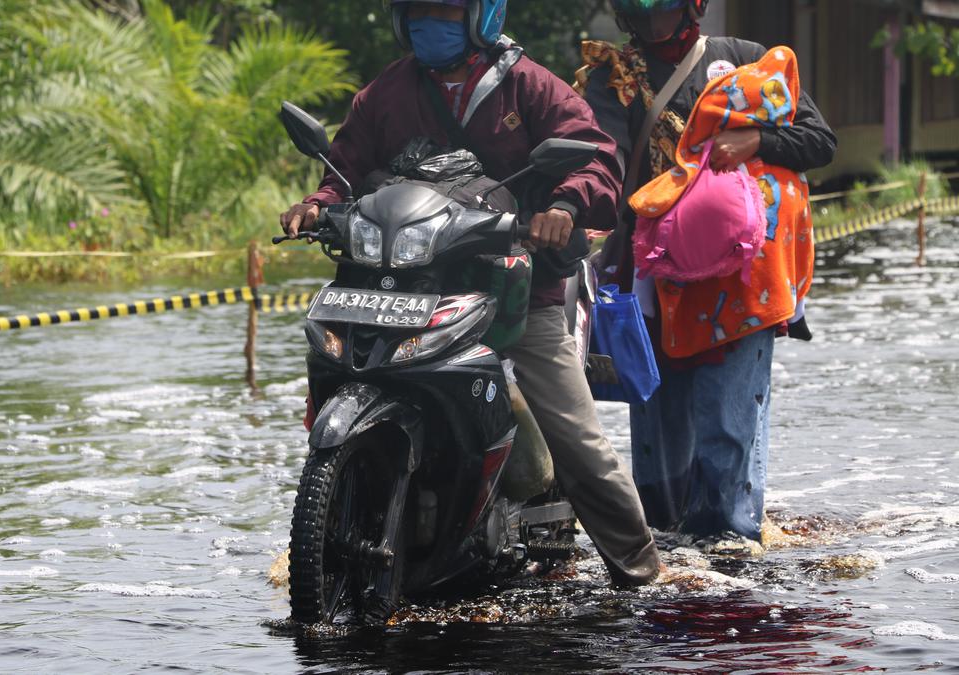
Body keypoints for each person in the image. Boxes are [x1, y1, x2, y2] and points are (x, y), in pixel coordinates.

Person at [280, 0, 662, 586]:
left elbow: (596, 158)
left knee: (579, 442)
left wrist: (563, 206)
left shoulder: (530, 86)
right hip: (405, 290)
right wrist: (317, 207)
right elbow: (344, 171)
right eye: (420, 11)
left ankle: (642, 571)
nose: (431, 23)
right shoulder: (386, 91)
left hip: (515, 289)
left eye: (446, 11)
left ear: (482, 17)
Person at [576, 0, 836, 546]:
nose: (652, 18)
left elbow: (818, 141)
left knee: (727, 423)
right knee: (658, 439)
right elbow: (601, 163)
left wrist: (757, 140)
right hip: (652, 281)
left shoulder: (744, 61)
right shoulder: (610, 78)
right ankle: (670, 557)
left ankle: (731, 554)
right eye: (638, 8)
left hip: (742, 283)